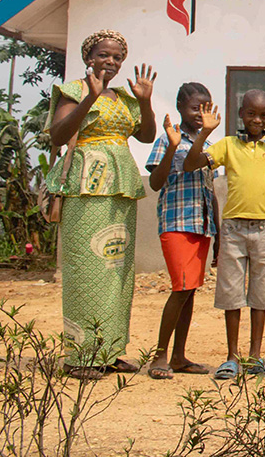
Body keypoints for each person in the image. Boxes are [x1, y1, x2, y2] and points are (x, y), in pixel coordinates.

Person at [46, 30, 157, 381]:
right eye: (103, 55)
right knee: (86, 270)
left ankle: (109, 351)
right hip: (86, 187)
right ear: (88, 58)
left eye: (117, 57)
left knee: (117, 272)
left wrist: (146, 101)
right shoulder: (74, 90)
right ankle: (80, 355)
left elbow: (147, 135)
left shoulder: (126, 97)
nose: (111, 62)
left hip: (120, 188)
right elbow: (58, 136)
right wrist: (88, 101)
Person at [182, 91, 265, 379]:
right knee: (231, 293)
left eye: (263, 115)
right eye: (251, 113)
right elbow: (191, 164)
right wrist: (204, 132)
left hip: (264, 228)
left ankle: (254, 357)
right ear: (241, 114)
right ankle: (231, 357)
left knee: (261, 293)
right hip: (233, 228)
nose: (257, 120)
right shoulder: (228, 145)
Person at [145, 82, 220, 379]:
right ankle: (160, 355)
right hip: (176, 223)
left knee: (190, 291)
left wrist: (219, 234)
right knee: (181, 287)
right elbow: (155, 182)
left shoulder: (210, 147)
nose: (201, 113)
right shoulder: (169, 138)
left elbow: (210, 190)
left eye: (206, 107)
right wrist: (173, 147)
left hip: (202, 226)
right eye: (194, 108)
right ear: (179, 108)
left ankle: (179, 355)